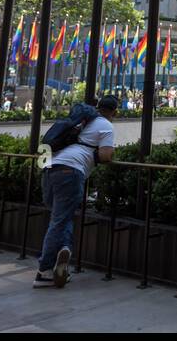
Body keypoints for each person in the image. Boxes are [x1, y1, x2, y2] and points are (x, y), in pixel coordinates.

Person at [33, 97, 116, 289]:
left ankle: (64, 248)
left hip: (50, 166)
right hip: (70, 171)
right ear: (114, 112)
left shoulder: (83, 121)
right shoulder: (106, 126)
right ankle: (44, 270)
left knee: (61, 216)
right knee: (59, 220)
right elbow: (106, 155)